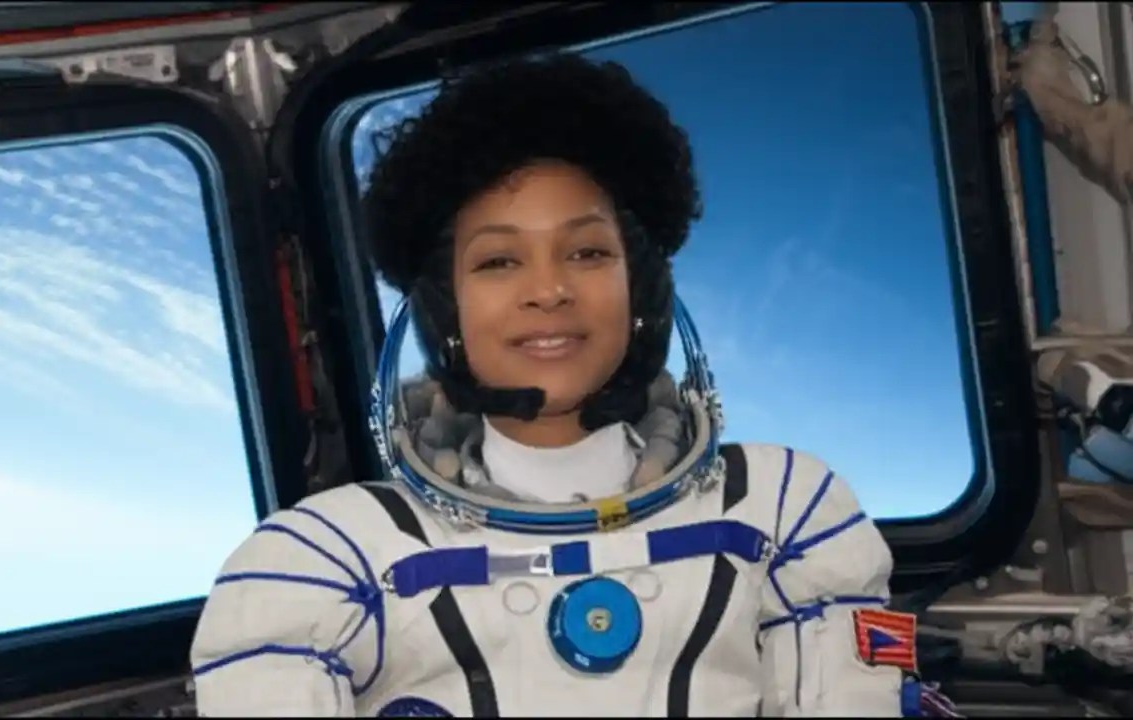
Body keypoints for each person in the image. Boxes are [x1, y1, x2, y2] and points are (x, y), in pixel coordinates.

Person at [189, 53, 948, 717]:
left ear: (641, 289)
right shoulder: (326, 560)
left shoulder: (787, 512)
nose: (549, 290)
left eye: (586, 253)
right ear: (444, 309)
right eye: (498, 261)